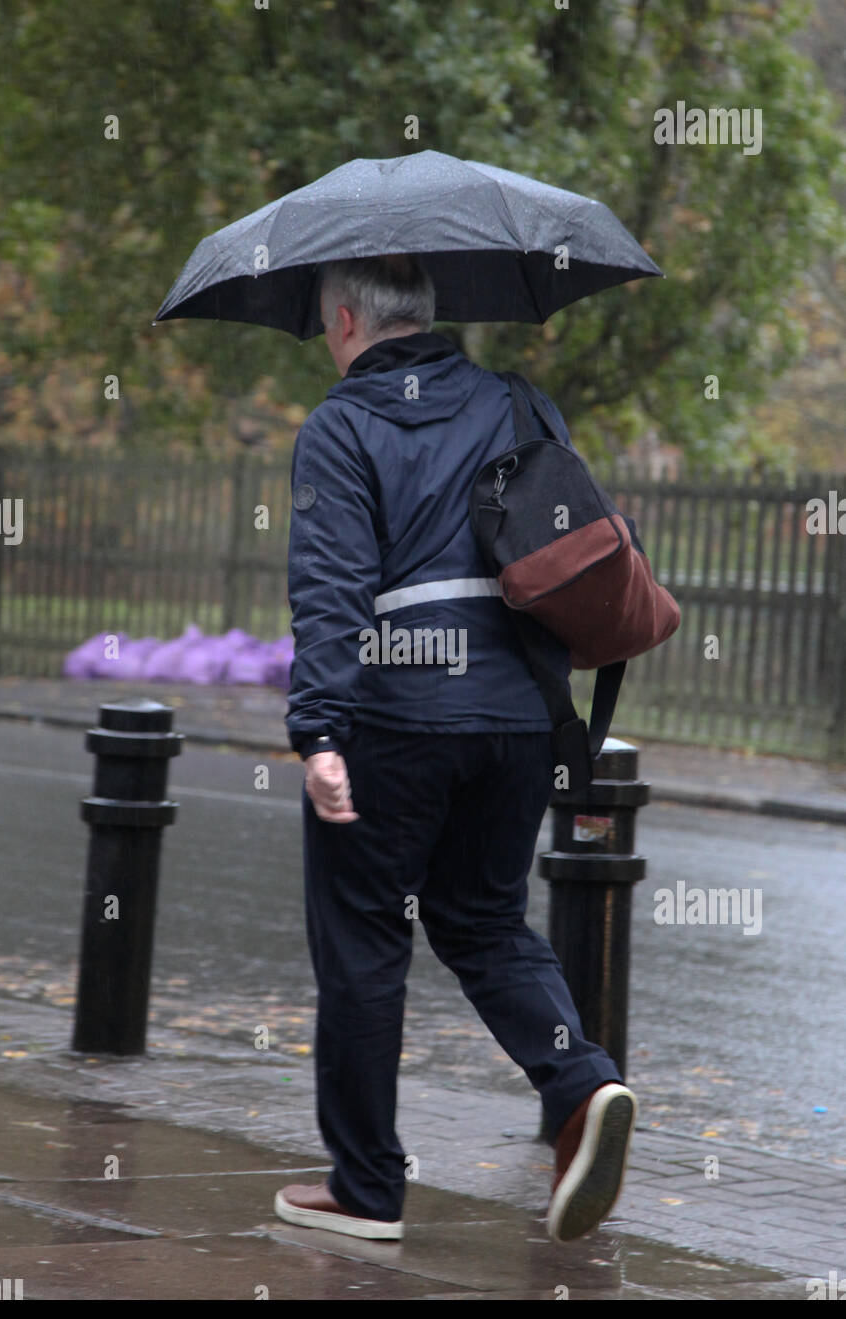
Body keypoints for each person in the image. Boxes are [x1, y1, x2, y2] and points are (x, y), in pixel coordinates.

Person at [274, 253, 637, 1243]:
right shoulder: (522, 404)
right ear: (429, 314)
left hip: (395, 723)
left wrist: (317, 731)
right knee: (483, 922)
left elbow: (332, 586)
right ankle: (580, 1082)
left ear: (345, 318)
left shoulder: (342, 427)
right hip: (520, 719)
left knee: (363, 943)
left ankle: (366, 1185)